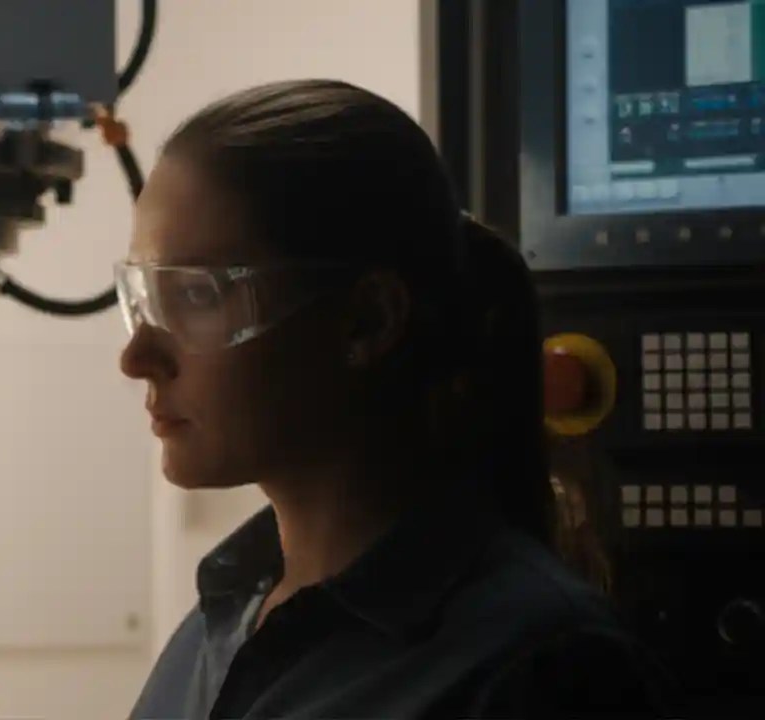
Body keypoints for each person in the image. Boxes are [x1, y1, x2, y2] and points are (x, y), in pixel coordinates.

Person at [114, 80, 680, 719]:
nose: (136, 360)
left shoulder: (541, 670)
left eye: (196, 297)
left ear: (368, 321)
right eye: (143, 300)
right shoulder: (225, 618)